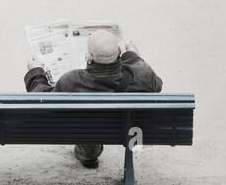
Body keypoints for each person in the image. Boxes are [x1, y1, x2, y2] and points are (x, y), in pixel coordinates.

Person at [25, 30, 163, 168]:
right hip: (129, 131)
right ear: (120, 50)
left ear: (89, 57)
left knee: (87, 119)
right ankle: (90, 152)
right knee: (97, 118)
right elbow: (156, 86)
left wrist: (35, 71)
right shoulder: (142, 72)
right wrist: (134, 56)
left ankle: (88, 153)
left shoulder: (72, 81)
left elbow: (42, 101)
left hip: (90, 129)